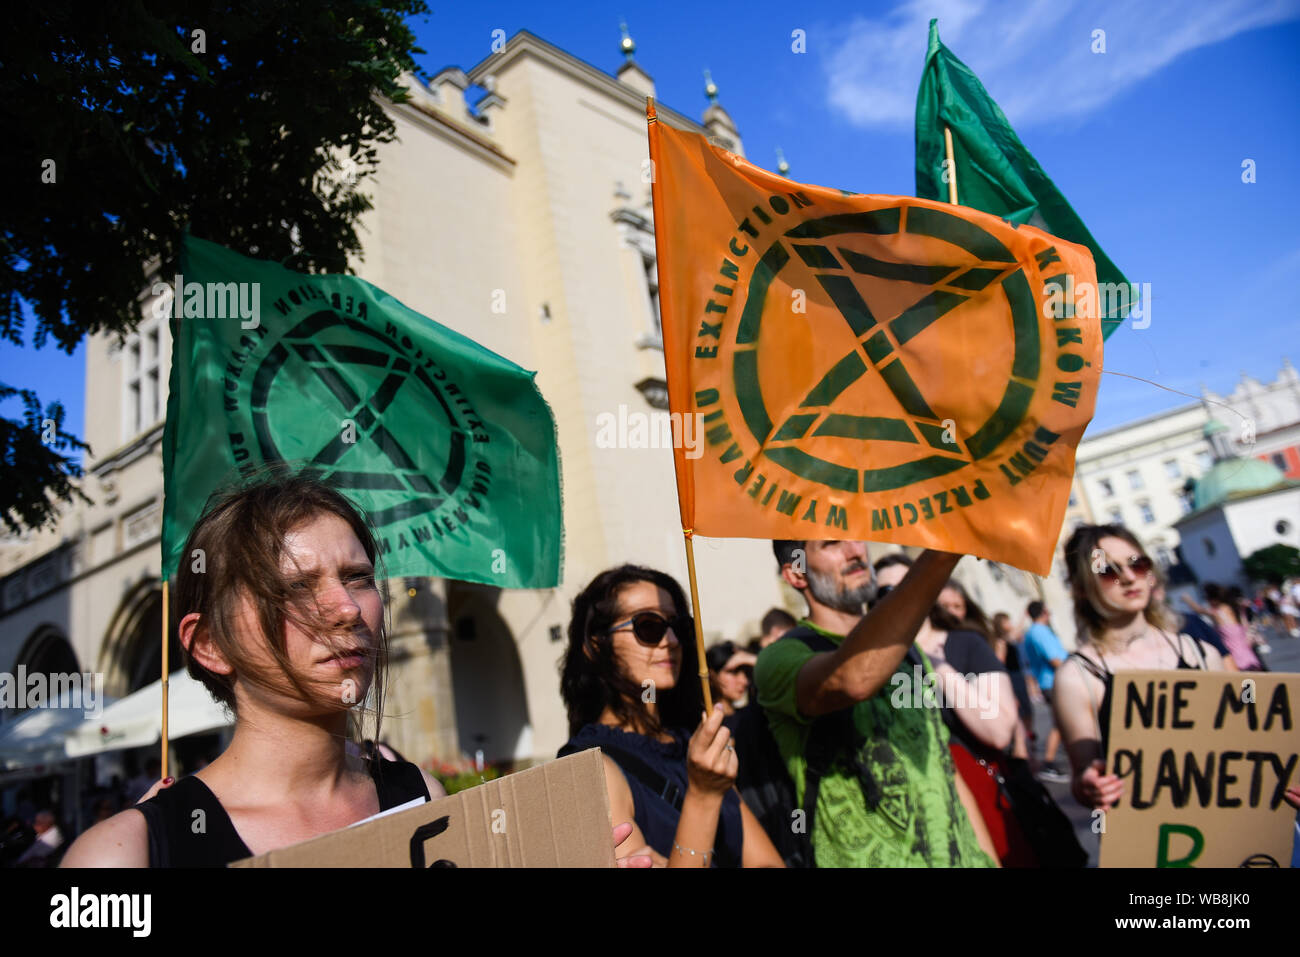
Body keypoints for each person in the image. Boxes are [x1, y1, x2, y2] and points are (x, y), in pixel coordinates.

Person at [61, 473, 442, 867]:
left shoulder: (421, 799)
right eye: (296, 587)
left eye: (357, 577)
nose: (348, 608)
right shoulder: (123, 854)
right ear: (209, 643)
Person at [756, 539, 997, 868]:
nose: (855, 550)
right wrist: (944, 550)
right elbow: (855, 680)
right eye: (832, 543)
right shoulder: (780, 659)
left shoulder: (909, 651)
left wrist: (988, 859)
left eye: (855, 535)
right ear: (797, 573)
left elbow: (944, 767)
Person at [557, 564, 784, 867]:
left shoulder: (692, 746)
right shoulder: (590, 766)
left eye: (679, 627)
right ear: (596, 644)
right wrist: (702, 795)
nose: (672, 641)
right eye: (648, 626)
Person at [1053, 524, 1227, 811]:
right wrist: (1091, 785)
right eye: (1108, 570)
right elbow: (1083, 778)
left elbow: (1243, 743)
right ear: (1082, 587)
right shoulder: (1078, 677)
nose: (1129, 577)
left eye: (1138, 564)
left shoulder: (1202, 654)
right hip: (1153, 839)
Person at [875, 557, 1033, 866]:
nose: (899, 595)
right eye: (885, 591)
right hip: (926, 820)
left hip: (988, 803)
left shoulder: (965, 644)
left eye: (910, 583)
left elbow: (999, 731)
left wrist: (939, 667)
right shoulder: (876, 667)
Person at [1021, 600, 1069, 781]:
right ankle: (1048, 762)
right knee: (1061, 722)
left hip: (1051, 681)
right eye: (1048, 612)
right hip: (1054, 681)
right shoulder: (1039, 632)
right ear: (1043, 613)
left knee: (1063, 722)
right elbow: (1055, 659)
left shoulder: (1033, 632)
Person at [1183, 584, 1263, 671]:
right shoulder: (1231, 608)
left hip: (1237, 659)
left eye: (1208, 600)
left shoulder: (1218, 613)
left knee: (1245, 683)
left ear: (1214, 599)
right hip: (1249, 655)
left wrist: (1188, 600)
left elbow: (1198, 610)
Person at [705, 641, 757, 716]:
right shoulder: (698, 721)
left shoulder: (750, 717)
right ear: (712, 675)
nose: (744, 681)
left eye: (746, 673)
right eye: (733, 672)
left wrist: (749, 658)